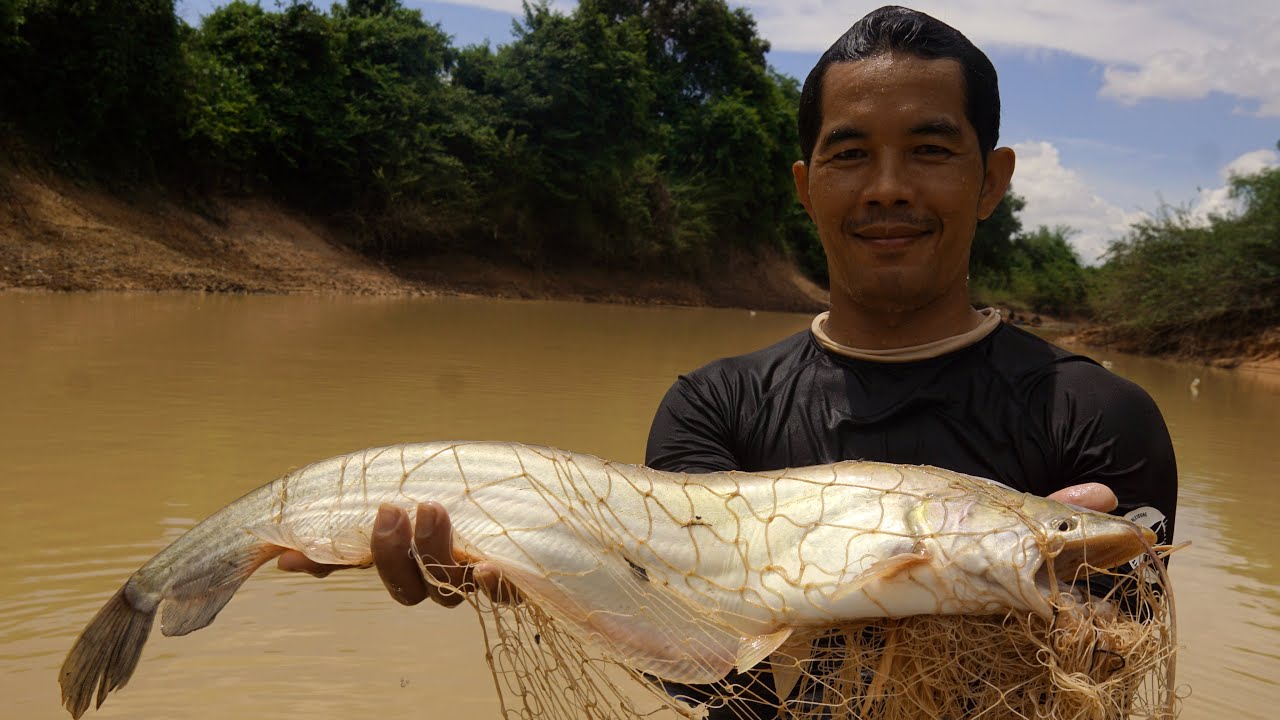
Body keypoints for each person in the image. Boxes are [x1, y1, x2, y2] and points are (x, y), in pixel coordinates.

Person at [280, 3, 1177, 713]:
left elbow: (1110, 670)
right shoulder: (716, 406)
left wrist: (1044, 603)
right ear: (805, 185)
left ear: (992, 180)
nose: (889, 186)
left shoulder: (1099, 414)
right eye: (851, 153)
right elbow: (702, 679)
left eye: (932, 151)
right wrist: (560, 577)